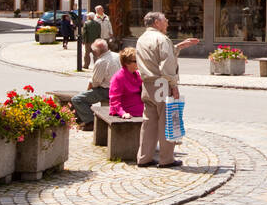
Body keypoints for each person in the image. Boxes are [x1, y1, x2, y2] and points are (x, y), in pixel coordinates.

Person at [135, 10, 199, 168]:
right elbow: (166, 64)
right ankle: (166, 159)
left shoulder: (142, 39)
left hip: (147, 83)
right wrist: (173, 85)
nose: (168, 22)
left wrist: (178, 46)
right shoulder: (162, 38)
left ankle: (144, 157)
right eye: (165, 20)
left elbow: (154, 56)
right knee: (167, 120)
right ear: (157, 22)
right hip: (161, 83)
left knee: (148, 122)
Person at [69, 39, 121, 128]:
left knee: (77, 99)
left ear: (96, 51)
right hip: (120, 88)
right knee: (86, 96)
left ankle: (90, 122)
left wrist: (88, 90)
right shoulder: (117, 56)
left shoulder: (101, 62)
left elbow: (95, 82)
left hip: (107, 90)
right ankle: (88, 118)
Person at [109, 47, 144, 119]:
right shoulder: (118, 77)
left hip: (138, 106)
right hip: (126, 109)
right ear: (127, 63)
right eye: (136, 61)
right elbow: (114, 100)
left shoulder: (136, 74)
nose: (139, 63)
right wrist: (122, 113)